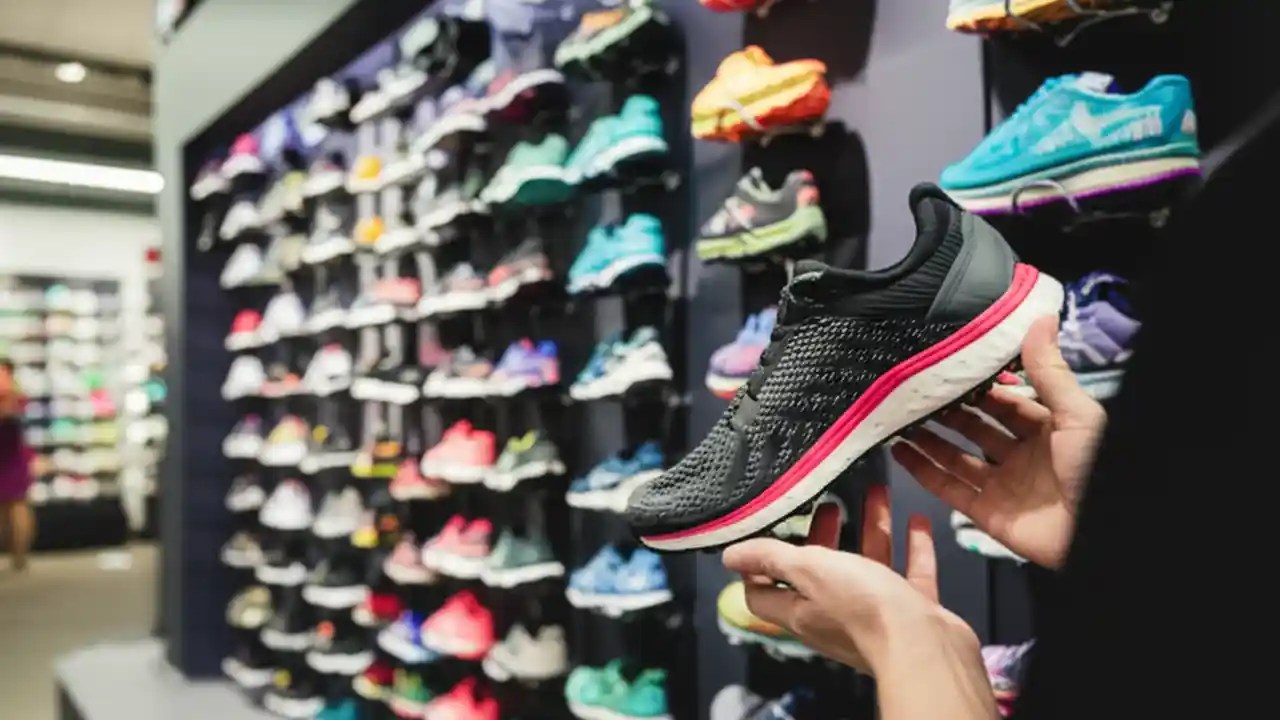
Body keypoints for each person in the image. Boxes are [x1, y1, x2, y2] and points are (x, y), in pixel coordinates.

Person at [0, 359, 36, 571]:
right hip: (14, 451)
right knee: (18, 504)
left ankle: (17, 555)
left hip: (8, 451)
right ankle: (19, 556)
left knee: (12, 506)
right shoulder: (17, 394)